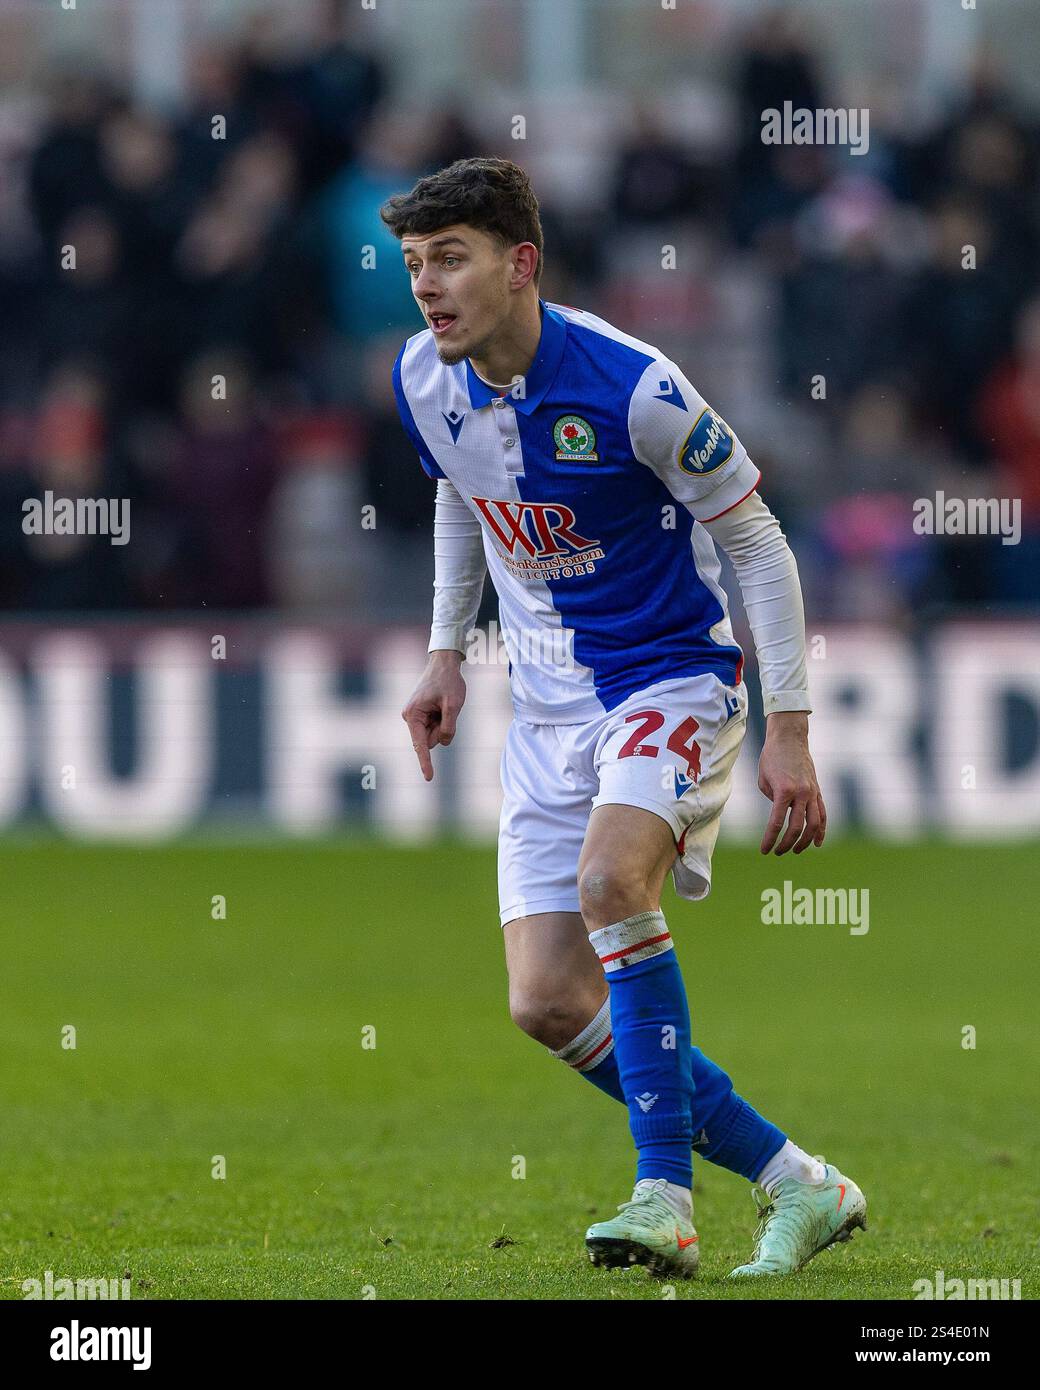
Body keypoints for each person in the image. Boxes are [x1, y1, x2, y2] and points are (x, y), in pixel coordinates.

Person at [383, 157, 866, 1280]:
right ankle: (800, 1181)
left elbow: (756, 539)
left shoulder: (632, 385)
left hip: (666, 680)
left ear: (521, 263)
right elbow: (459, 490)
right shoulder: (420, 376)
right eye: (413, 265)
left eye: (449, 259)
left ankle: (664, 1197)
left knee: (612, 885)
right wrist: (445, 652)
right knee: (545, 999)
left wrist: (786, 727)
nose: (427, 287)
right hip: (543, 709)